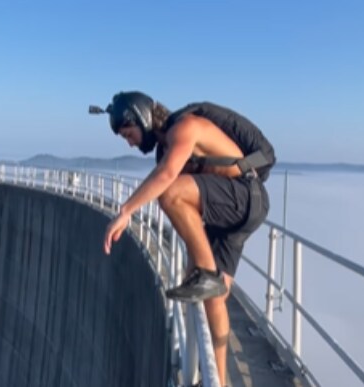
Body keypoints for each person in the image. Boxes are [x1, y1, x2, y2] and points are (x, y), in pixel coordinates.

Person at [92, 91, 273, 386]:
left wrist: (126, 211)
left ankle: (206, 274)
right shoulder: (165, 148)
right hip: (230, 208)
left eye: (129, 133)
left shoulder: (185, 127)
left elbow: (166, 177)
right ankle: (220, 382)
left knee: (170, 191)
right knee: (215, 299)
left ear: (142, 119)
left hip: (245, 195)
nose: (130, 142)